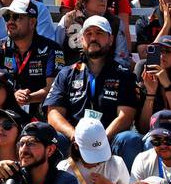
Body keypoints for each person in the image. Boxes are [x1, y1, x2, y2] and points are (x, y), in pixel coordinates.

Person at [45, 14, 143, 166]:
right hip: (75, 141)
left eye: (99, 33)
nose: (93, 38)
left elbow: (126, 116)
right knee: (54, 137)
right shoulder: (66, 73)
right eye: (88, 34)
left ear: (110, 39)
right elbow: (53, 113)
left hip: (109, 139)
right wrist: (74, 136)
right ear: (81, 39)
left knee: (130, 139)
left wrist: (101, 139)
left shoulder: (124, 75)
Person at [57, 116, 131, 184]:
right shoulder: (64, 169)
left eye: (100, 154)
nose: (97, 162)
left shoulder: (117, 163)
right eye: (91, 156)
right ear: (76, 146)